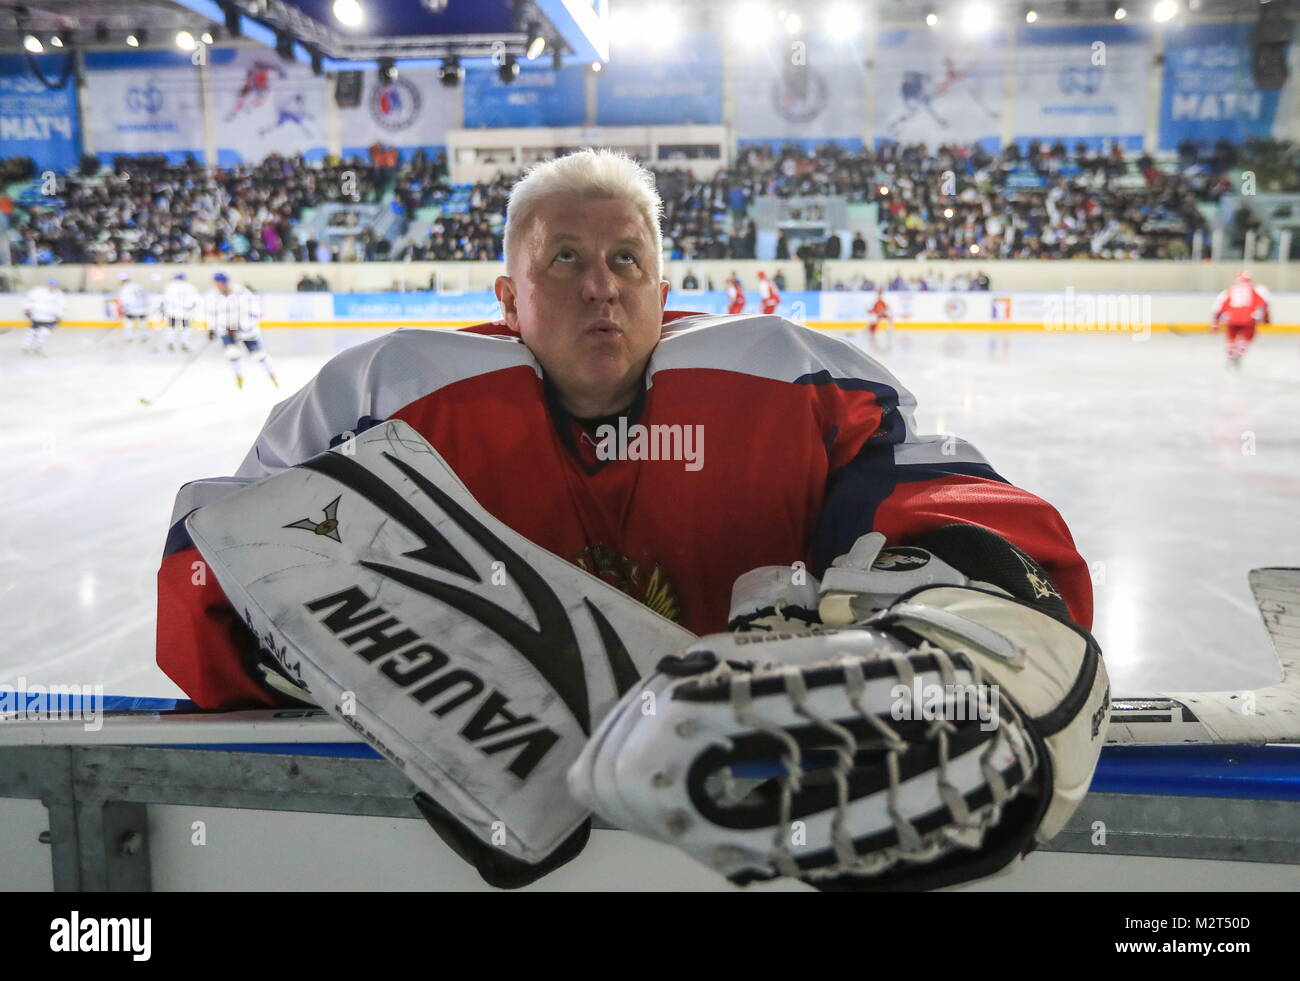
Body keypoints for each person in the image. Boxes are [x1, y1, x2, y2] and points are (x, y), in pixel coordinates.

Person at [156, 149, 1100, 890]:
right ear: (508, 297)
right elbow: (210, 565)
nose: (599, 285)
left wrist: (975, 621)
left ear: (662, 284)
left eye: (624, 261)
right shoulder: (378, 396)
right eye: (562, 259)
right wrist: (340, 654)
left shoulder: (795, 381)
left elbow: (954, 507)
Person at [205, 271, 278, 390]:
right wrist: (211, 329)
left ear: (224, 282)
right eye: (216, 283)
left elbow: (255, 311)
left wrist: (242, 326)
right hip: (227, 331)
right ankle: (238, 376)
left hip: (247, 331)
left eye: (219, 282)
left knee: (258, 355)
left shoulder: (242, 293)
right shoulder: (213, 296)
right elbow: (212, 314)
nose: (217, 285)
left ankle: (271, 373)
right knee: (232, 353)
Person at [1212, 270, 1269, 368]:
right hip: (1248, 320)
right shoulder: (1254, 290)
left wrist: (1215, 323)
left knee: (1231, 339)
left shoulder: (1230, 290)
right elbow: (1264, 304)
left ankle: (1230, 356)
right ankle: (1238, 355)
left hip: (1232, 320)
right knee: (1247, 338)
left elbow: (1220, 308)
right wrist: (1266, 318)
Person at [21, 278, 64, 356]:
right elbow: (29, 299)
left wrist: (60, 316)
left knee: (45, 333)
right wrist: (26, 308)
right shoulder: (37, 290)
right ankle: (26, 346)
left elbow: (61, 306)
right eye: (49, 285)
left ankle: (39, 347)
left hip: (50, 318)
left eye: (53, 285)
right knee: (31, 332)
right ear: (46, 284)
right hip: (37, 315)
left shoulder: (59, 294)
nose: (51, 287)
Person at [163, 272, 201, 352]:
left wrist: (165, 309)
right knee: (186, 328)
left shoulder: (170, 286)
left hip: (173, 311)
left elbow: (166, 300)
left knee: (171, 327)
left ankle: (170, 343)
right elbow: (195, 300)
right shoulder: (190, 286)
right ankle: (184, 343)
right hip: (186, 312)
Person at [116, 272, 149, 342]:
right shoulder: (137, 286)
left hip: (132, 309)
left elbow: (123, 301)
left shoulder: (125, 289)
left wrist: (121, 310)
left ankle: (129, 337)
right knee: (143, 323)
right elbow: (145, 296)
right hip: (143, 308)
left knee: (129, 323)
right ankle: (145, 336)